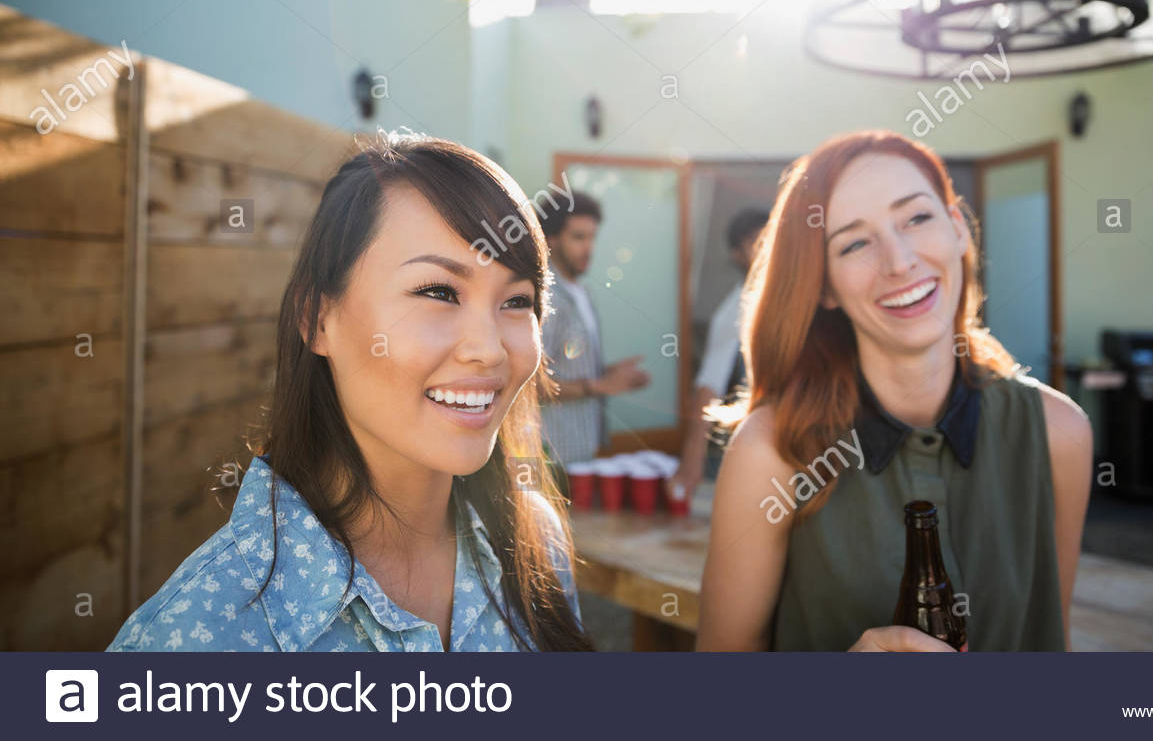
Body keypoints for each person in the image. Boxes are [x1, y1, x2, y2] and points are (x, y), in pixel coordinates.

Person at [108, 131, 592, 651]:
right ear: (317, 319)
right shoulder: (191, 637)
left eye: (517, 300)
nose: (490, 350)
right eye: (438, 292)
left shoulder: (536, 544)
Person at [697, 130, 1092, 652]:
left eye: (917, 218)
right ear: (824, 286)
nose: (900, 260)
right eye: (855, 242)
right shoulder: (771, 454)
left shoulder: (1058, 434)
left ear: (957, 230)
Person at [538, 191, 650, 466]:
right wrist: (599, 385)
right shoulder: (546, 296)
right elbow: (531, 385)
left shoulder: (581, 292)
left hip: (582, 449)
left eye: (592, 237)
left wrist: (608, 374)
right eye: (578, 237)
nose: (589, 248)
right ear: (551, 239)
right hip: (550, 457)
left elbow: (565, 365)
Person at [668, 207, 769, 502]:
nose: (767, 248)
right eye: (756, 242)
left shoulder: (807, 292)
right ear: (738, 254)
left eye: (771, 237)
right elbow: (708, 387)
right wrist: (691, 463)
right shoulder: (735, 312)